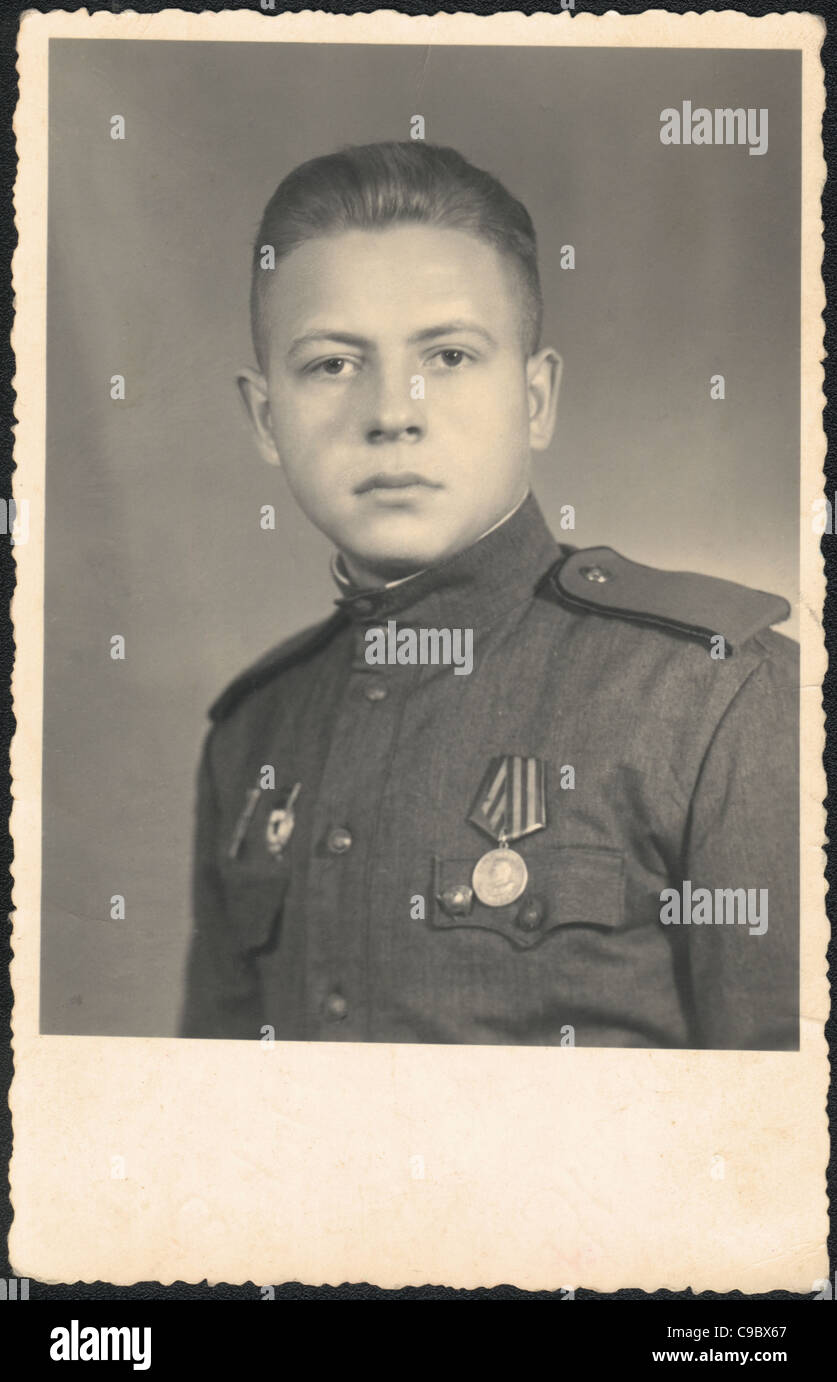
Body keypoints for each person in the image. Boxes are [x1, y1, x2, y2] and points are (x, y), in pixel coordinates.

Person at [180, 141, 798, 1048]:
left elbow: (783, 1140)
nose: (395, 411)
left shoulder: (716, 694)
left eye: (451, 355)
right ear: (267, 419)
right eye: (331, 365)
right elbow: (205, 1121)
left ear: (535, 397)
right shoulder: (252, 734)